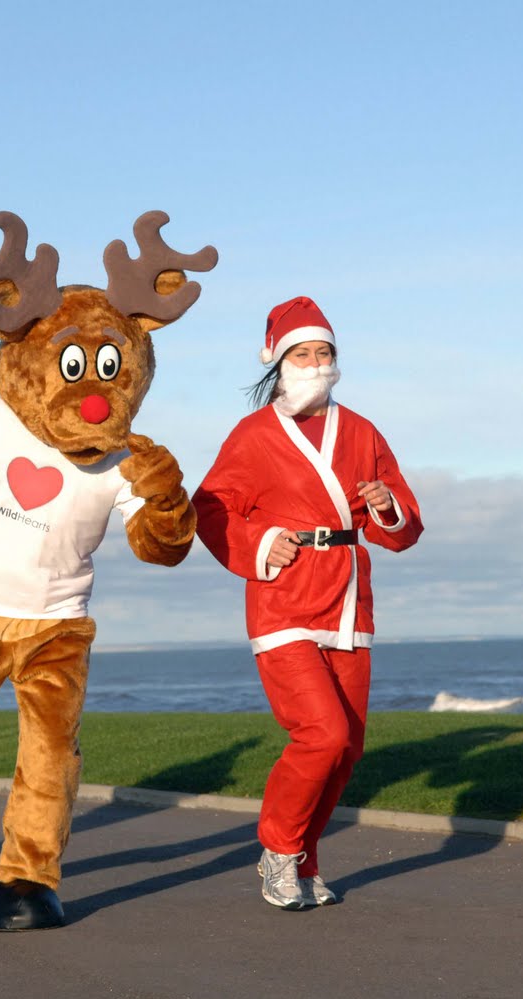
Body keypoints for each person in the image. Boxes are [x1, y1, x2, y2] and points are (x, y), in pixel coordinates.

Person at [194, 296, 423, 910]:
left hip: (349, 601)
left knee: (347, 748)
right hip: (284, 600)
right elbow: (210, 510)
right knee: (320, 734)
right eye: (303, 353)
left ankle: (304, 859)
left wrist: (384, 504)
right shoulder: (253, 435)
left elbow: (405, 525)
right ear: (279, 362)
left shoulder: (363, 431)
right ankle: (277, 849)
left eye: (325, 352)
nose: (316, 363)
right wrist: (262, 541)